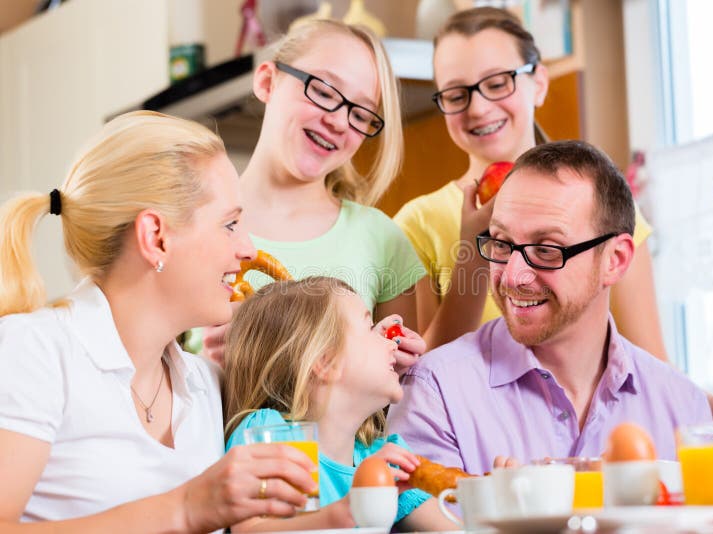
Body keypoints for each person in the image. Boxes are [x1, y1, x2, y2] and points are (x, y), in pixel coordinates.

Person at [393, 6, 713, 421]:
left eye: (498, 83)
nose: (477, 107)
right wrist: (474, 252)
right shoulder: (417, 224)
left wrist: (703, 406)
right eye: (457, 94)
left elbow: (646, 360)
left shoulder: (603, 207)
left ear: (539, 83)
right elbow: (422, 385)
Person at [0, 111, 318, 531]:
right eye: (230, 224)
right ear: (156, 237)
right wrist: (183, 509)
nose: (247, 249)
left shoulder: (207, 383)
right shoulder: (33, 351)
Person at [387, 140, 713, 475]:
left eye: (546, 249)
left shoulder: (684, 409)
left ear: (615, 260)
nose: (513, 276)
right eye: (501, 243)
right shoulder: (433, 394)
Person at [196, 19, 426, 368]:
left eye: (360, 113)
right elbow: (156, 381)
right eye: (323, 91)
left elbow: (399, 404)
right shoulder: (192, 221)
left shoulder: (383, 241)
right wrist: (206, 362)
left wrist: (398, 365)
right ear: (267, 82)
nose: (338, 121)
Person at [224, 277, 456, 532]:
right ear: (325, 362)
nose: (392, 341)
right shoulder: (275, 433)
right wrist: (349, 510)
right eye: (369, 328)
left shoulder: (381, 457)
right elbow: (251, 530)